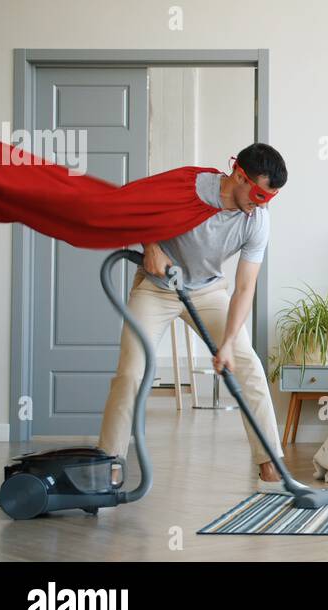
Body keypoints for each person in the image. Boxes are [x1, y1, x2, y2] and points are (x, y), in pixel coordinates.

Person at [98, 143, 288, 492]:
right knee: (131, 372)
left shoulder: (257, 220)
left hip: (207, 291)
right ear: (239, 175)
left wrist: (228, 344)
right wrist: (151, 247)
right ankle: (109, 464)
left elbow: (245, 288)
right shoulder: (190, 188)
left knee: (247, 365)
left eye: (270, 198)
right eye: (259, 194)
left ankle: (271, 465)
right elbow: (139, 205)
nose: (261, 204)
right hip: (157, 287)